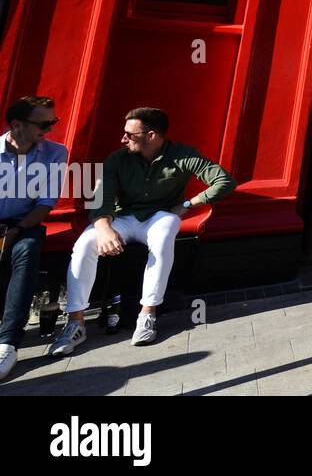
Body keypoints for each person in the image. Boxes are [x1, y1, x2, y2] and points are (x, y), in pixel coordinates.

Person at [49, 108, 234, 354]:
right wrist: (104, 228)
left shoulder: (182, 155)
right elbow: (100, 198)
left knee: (167, 228)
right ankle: (75, 323)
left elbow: (224, 181)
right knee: (84, 244)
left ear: (152, 135)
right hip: (122, 218)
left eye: (130, 134)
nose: (123, 139)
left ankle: (147, 314)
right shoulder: (117, 159)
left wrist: (188, 204)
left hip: (158, 217)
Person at [0, 97, 67, 380]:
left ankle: (8, 343)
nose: (49, 130)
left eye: (53, 122)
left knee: (26, 249)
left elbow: (45, 203)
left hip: (25, 223)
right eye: (43, 124)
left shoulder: (55, 153)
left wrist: (15, 231)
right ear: (17, 125)